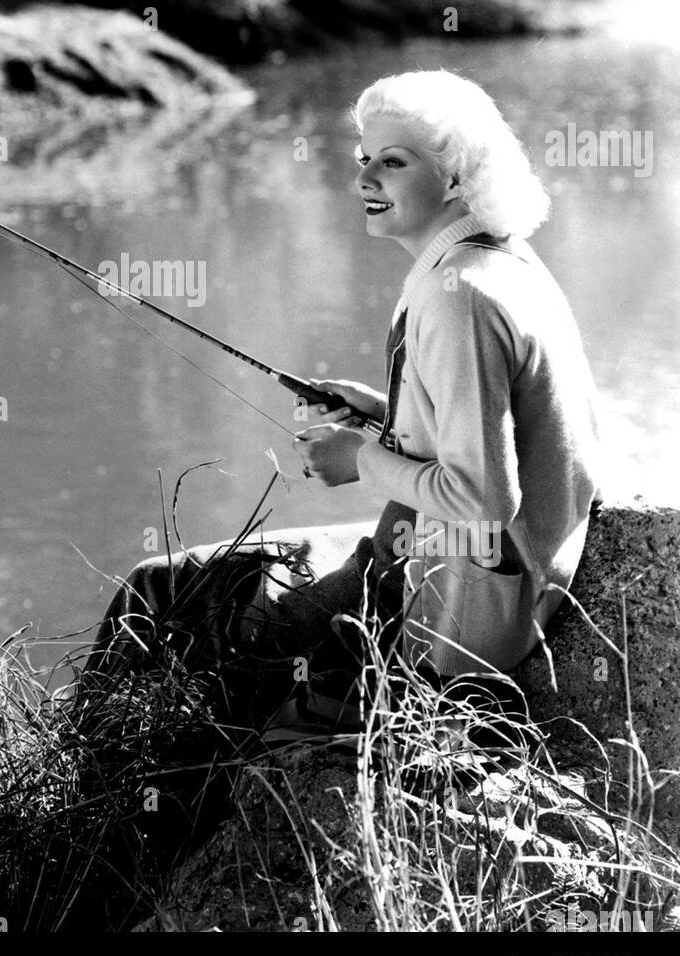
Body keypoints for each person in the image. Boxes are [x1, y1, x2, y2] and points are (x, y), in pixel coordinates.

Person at [84, 70, 602, 734]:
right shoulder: (501, 261)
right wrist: (386, 416)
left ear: (453, 179)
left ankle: (81, 811)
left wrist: (360, 458)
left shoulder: (457, 296)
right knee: (181, 597)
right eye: (364, 159)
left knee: (160, 600)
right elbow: (503, 436)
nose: (363, 179)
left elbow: (483, 499)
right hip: (447, 563)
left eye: (392, 162)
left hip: (451, 610)